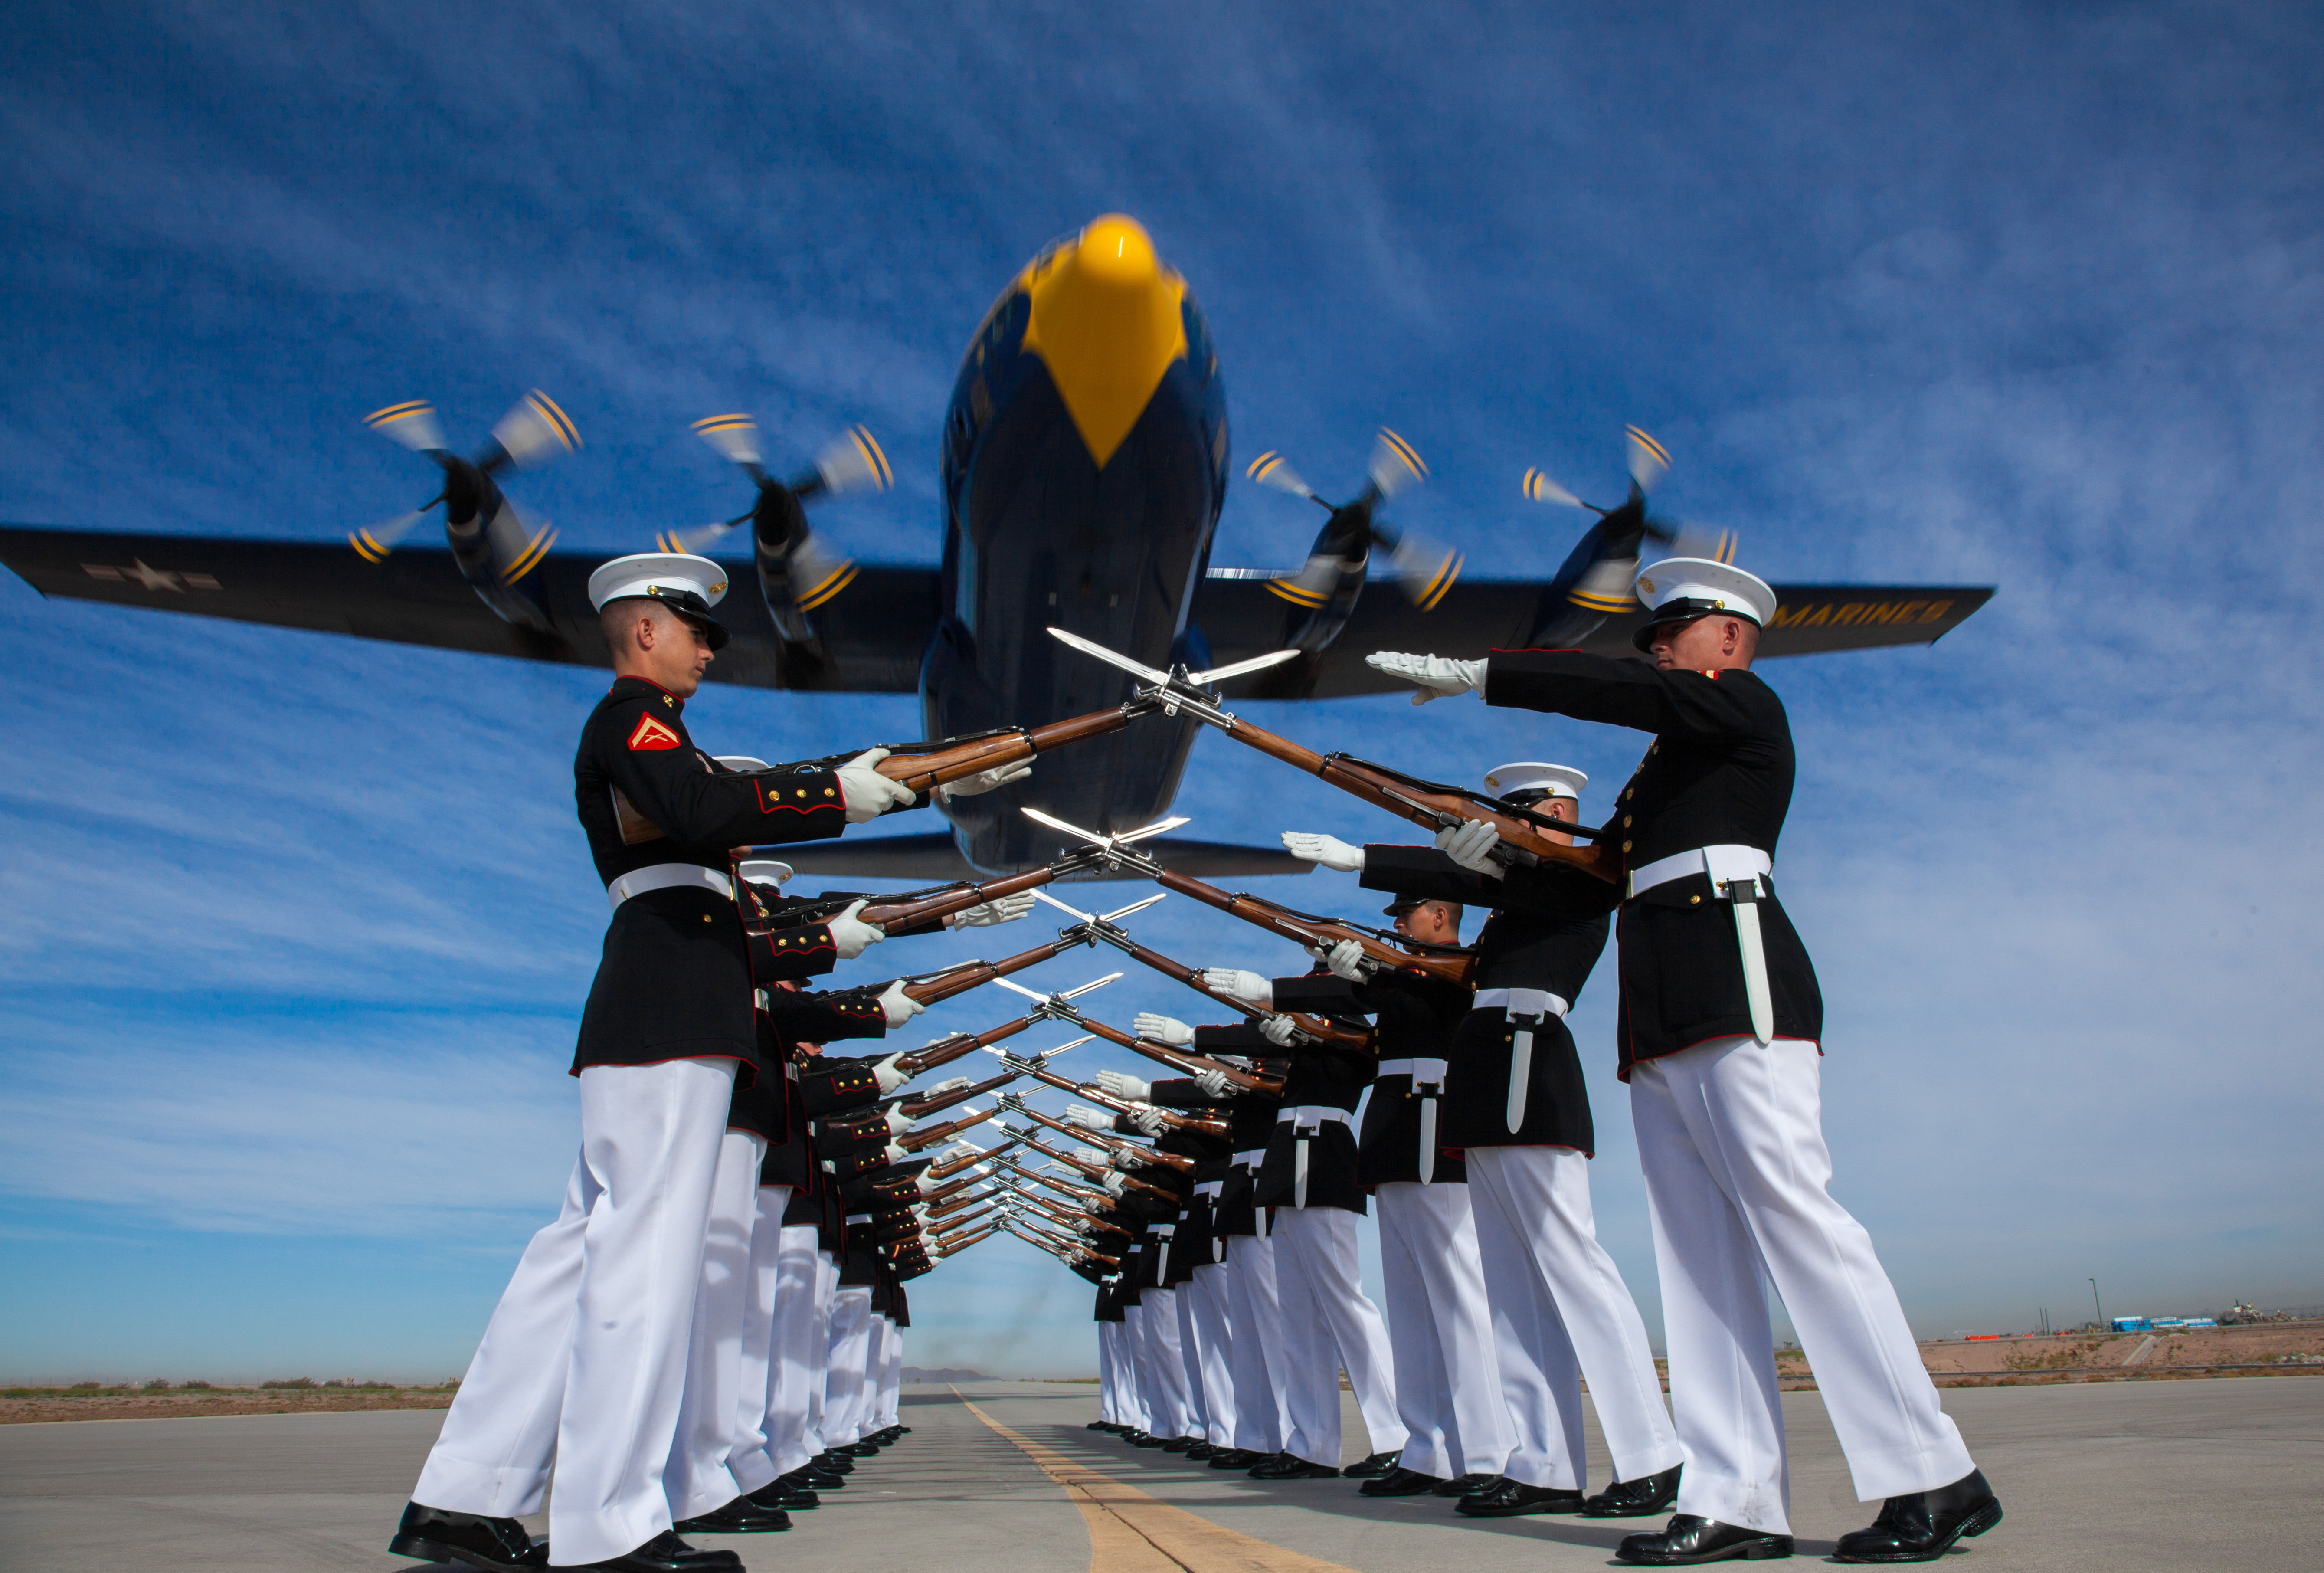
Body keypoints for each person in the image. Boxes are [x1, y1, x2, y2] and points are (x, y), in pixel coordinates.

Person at [1367, 558, 2000, 1566]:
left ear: (1732, 639)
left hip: (1734, 977)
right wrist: (1486, 861)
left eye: (1674, 630)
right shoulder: (1661, 769)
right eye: (1655, 636)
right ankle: (1736, 1496)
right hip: (1661, 1010)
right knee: (1698, 1259)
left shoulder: (1742, 705)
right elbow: (1594, 868)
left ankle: (1933, 1472)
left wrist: (1488, 673)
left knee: (1798, 1220)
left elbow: (1624, 695)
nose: (1657, 646)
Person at [391, 554, 1001, 1573]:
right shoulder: (636, 723)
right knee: (643, 1262)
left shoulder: (660, 741)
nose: (711, 649)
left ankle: (464, 1497)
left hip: (654, 1010)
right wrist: (851, 793)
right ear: (645, 631)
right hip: (671, 1012)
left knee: (580, 1255)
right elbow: (715, 806)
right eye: (696, 630)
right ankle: (609, 1525)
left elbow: (732, 797)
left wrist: (915, 774)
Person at [1289, 763, 1685, 1520]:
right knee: (1511, 1287)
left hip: (1528, 1064)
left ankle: (1652, 1454)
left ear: (1558, 815)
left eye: (1519, 815)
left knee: (1570, 1266)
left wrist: (1366, 858)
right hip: (1487, 1074)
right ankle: (1543, 1462)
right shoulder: (1514, 897)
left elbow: (1488, 884)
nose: (1509, 829)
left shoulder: (1581, 876)